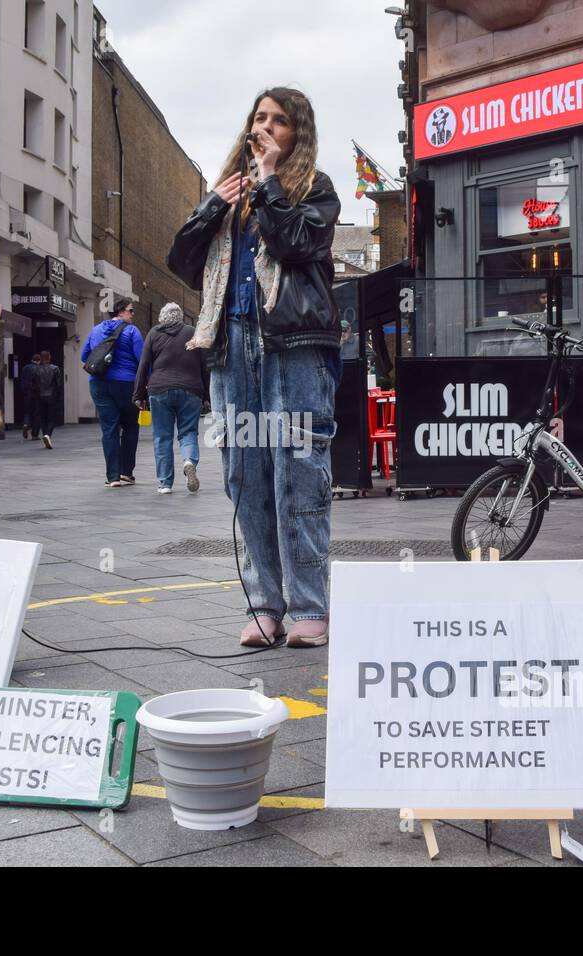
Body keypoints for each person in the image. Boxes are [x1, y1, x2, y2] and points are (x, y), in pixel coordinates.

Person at [168, 86, 341, 649]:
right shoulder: (228, 195)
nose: (265, 127)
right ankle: (265, 605)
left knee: (298, 474)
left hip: (292, 350)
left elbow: (297, 244)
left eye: (279, 121)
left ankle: (310, 606)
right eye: (259, 117)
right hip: (231, 347)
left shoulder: (313, 190)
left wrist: (269, 181)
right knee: (245, 479)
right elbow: (181, 261)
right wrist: (213, 205)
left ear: (298, 134)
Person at [133, 302, 210, 494]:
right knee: (188, 432)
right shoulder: (193, 331)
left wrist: (138, 394)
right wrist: (208, 396)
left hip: (159, 390)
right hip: (191, 390)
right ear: (181, 317)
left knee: (162, 437)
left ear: (162, 318)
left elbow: (144, 365)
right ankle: (189, 460)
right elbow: (205, 366)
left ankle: (165, 484)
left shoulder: (153, 333)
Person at [82, 299, 144, 487]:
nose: (133, 314)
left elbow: (85, 356)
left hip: (99, 383)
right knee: (131, 426)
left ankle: (113, 477)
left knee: (109, 428)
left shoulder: (96, 330)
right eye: (130, 311)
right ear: (120, 311)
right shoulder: (132, 331)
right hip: (126, 383)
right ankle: (127, 472)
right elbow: (142, 359)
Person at [35, 350, 62, 448]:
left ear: (41, 358)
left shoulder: (37, 369)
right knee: (51, 417)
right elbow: (58, 384)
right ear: (49, 357)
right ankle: (48, 434)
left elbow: (35, 384)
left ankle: (45, 434)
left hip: (40, 396)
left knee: (42, 417)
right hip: (52, 396)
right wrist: (58, 396)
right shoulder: (55, 369)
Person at [19, 353, 43, 440]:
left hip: (27, 394)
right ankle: (35, 434)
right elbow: (40, 383)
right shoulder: (39, 369)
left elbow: (22, 381)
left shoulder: (25, 368)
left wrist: (24, 391)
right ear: (39, 361)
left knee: (27, 412)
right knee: (36, 414)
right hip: (36, 395)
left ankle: (26, 424)